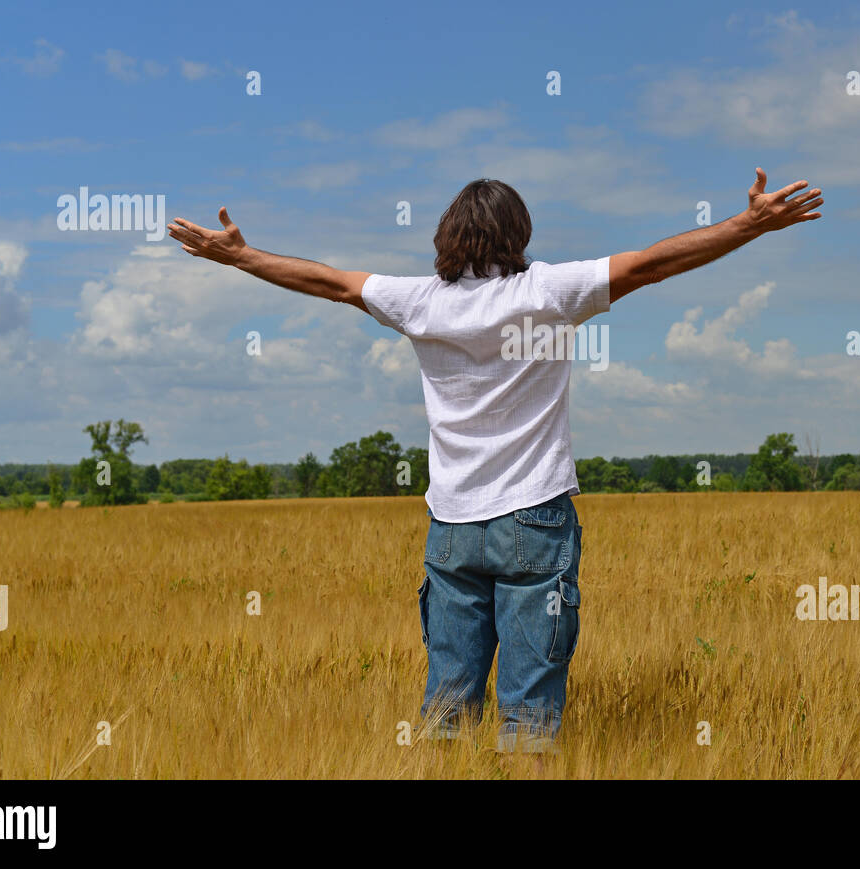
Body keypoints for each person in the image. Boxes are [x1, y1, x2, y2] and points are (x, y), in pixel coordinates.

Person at [168, 168, 823, 752]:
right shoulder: (550, 289)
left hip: (451, 529)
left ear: (446, 236)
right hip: (533, 522)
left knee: (446, 712)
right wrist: (748, 224)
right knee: (529, 723)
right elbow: (653, 264)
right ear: (519, 233)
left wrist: (243, 257)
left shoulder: (420, 301)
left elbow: (330, 282)